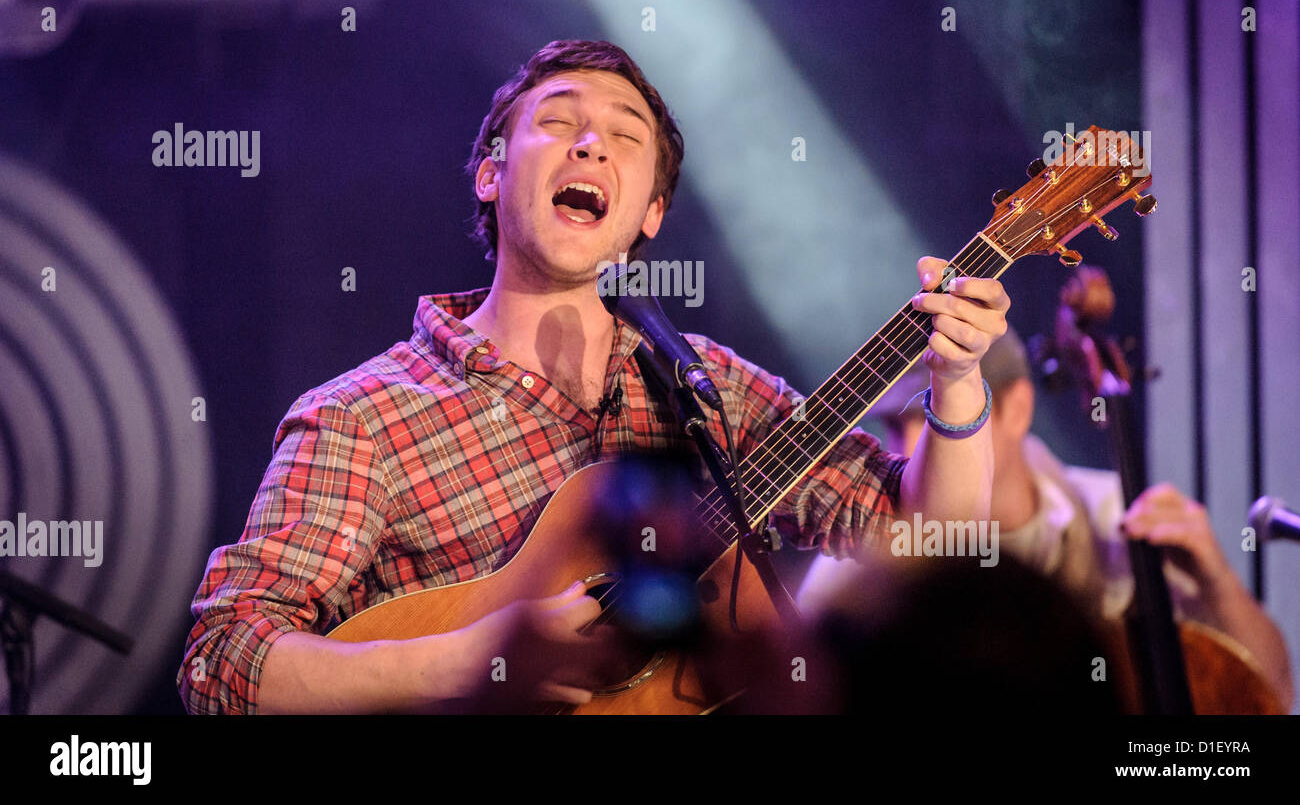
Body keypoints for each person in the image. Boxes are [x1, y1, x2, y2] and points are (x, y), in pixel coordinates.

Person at [177, 38, 1009, 714]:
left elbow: (925, 540)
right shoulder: (362, 416)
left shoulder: (703, 385)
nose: (590, 143)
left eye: (624, 136)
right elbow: (222, 663)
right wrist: (469, 658)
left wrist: (959, 382)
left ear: (650, 212)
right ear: (490, 171)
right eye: (558, 122)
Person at [797, 326, 1294, 710]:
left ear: (1017, 409)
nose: (909, 452)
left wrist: (1217, 581)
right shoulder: (866, 557)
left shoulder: (1114, 517)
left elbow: (1270, 694)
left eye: (932, 422)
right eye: (894, 427)